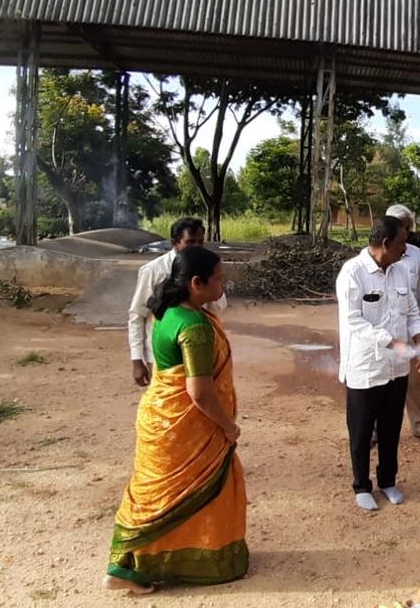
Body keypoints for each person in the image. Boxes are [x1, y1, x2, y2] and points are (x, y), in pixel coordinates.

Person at [103, 246, 247, 594]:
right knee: (179, 496)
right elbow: (199, 392)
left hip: (162, 419)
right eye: (219, 278)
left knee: (156, 495)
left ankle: (134, 565)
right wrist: (228, 426)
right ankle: (130, 568)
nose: (223, 283)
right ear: (197, 283)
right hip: (187, 427)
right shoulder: (195, 326)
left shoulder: (166, 311)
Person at [337, 215, 420, 511]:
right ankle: (361, 486)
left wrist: (419, 338)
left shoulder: (402, 271)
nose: (406, 249)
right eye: (403, 243)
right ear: (385, 243)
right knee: (363, 431)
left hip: (397, 367)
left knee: (391, 428)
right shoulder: (353, 273)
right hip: (366, 367)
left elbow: (412, 311)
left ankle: (388, 481)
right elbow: (354, 322)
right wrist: (391, 341)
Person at [128, 217, 226, 387]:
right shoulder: (154, 271)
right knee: (170, 402)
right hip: (163, 357)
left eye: (200, 242)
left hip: (199, 348)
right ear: (175, 242)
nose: (196, 247)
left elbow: (217, 307)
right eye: (190, 242)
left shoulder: (207, 269)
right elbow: (137, 315)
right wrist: (137, 360)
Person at [385, 203, 420, 444]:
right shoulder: (377, 253)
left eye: (408, 228)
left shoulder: (416, 254)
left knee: (414, 379)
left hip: (412, 324)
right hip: (385, 328)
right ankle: (377, 430)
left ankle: (419, 426)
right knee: (383, 379)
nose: (406, 234)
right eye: (403, 229)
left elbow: (419, 294)